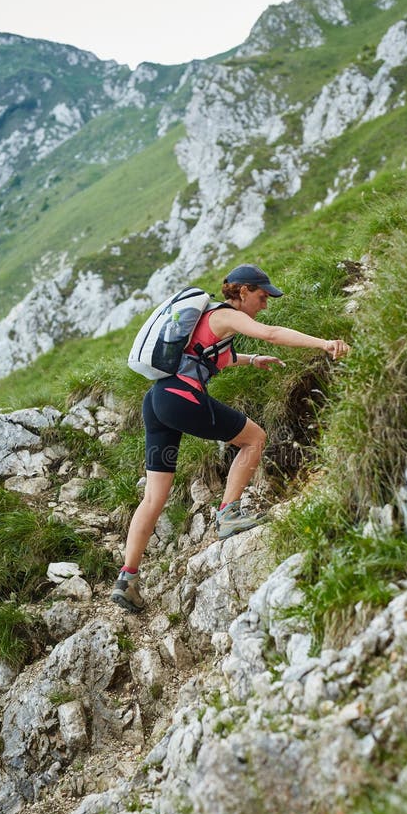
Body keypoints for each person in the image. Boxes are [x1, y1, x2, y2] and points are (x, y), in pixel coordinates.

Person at [111, 263, 350, 613]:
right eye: (262, 296)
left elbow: (213, 358)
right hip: (181, 400)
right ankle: (228, 514)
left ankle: (127, 579)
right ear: (241, 291)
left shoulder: (208, 323)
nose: (265, 304)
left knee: (153, 496)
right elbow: (270, 332)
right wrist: (324, 343)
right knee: (254, 439)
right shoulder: (225, 315)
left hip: (157, 402)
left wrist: (252, 361)